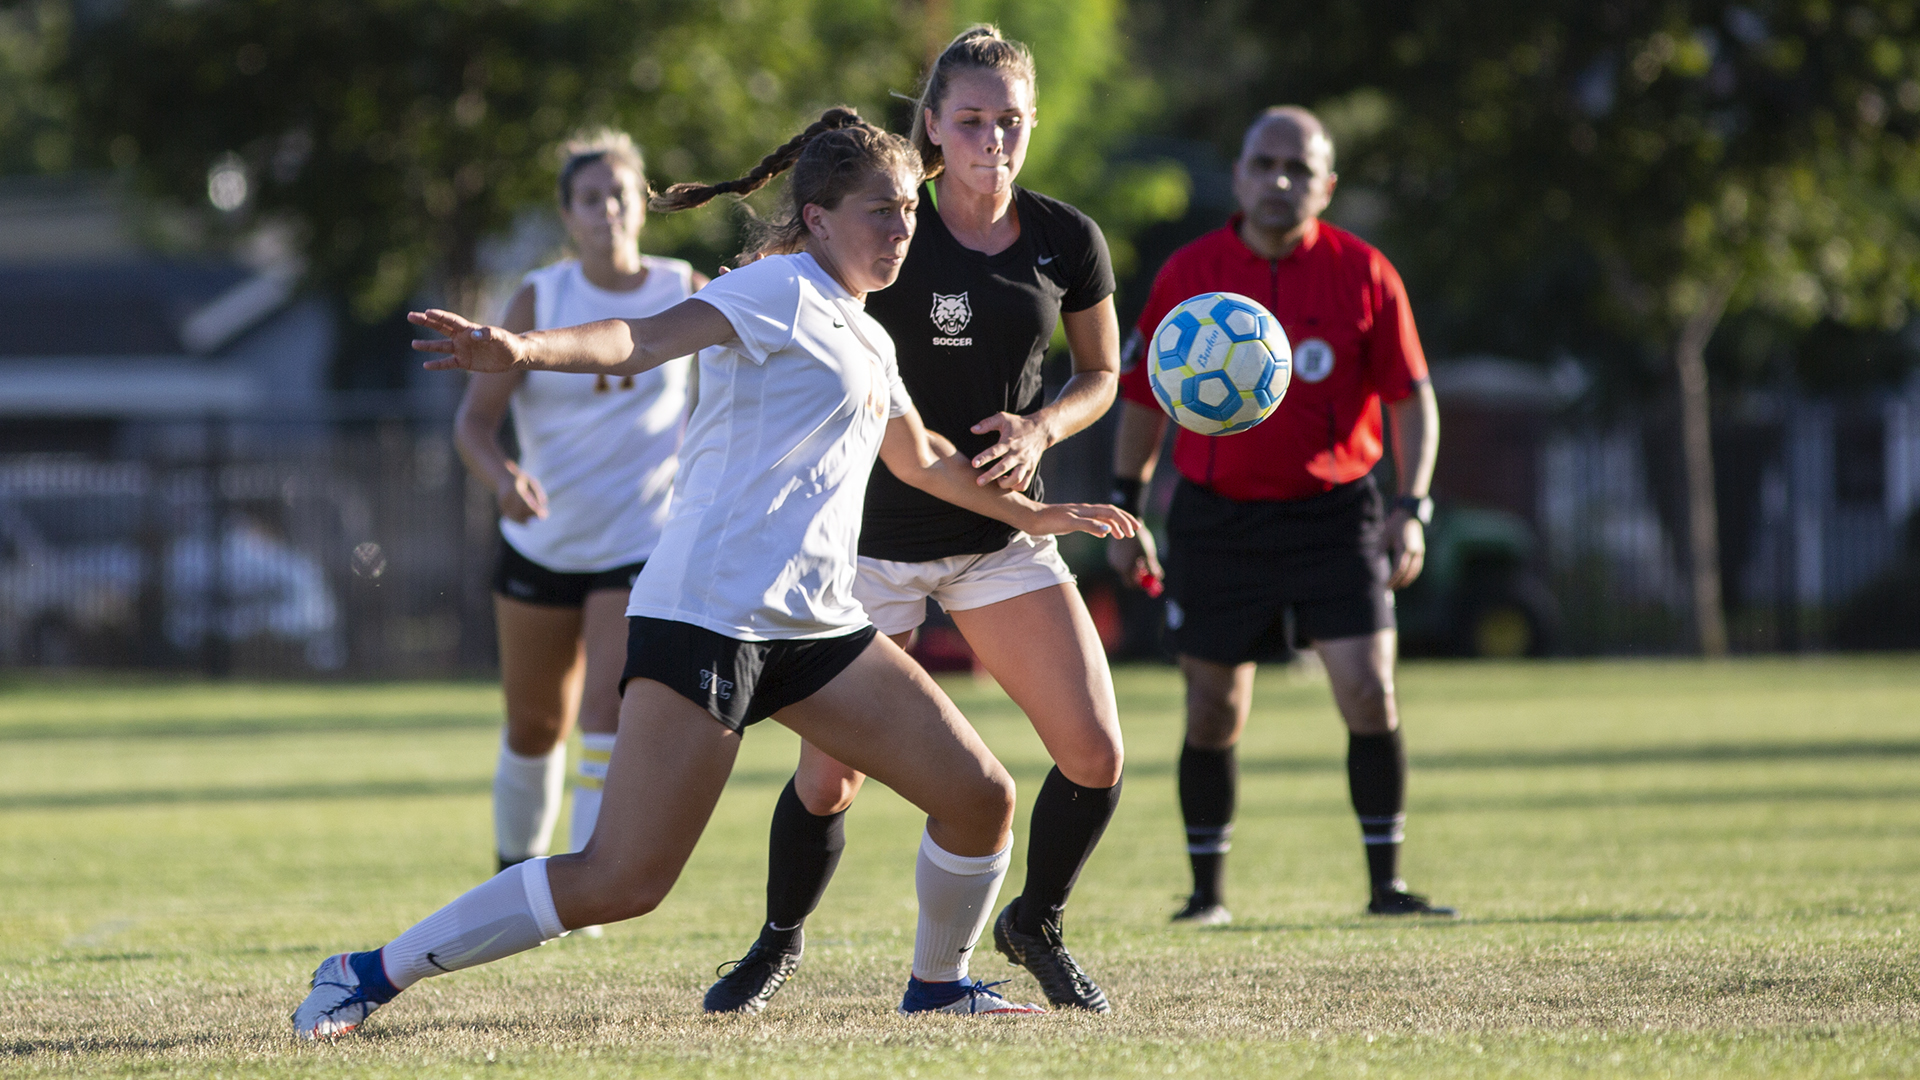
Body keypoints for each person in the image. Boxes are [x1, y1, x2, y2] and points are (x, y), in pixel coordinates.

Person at [291, 109, 1141, 1039]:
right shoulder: (776, 289)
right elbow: (640, 338)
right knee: (624, 880)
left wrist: (1039, 515)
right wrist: (525, 350)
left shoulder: (868, 333)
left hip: (817, 630)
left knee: (980, 798)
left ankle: (940, 984)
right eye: (878, 212)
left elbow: (924, 461)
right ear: (816, 217)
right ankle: (368, 972)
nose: (902, 230)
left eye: (907, 209)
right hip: (708, 617)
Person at [702, 26, 1126, 1017]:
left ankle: (1034, 925)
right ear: (931, 125)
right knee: (828, 781)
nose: (992, 139)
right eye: (970, 120)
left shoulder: (1069, 237)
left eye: (1009, 120)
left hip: (998, 534)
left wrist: (1043, 424)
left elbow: (1103, 374)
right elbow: (785, 295)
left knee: (1095, 753)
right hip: (866, 545)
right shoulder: (886, 223)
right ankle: (776, 942)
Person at [1107, 106, 1452, 924]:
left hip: (1337, 516)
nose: (1280, 182)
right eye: (1265, 165)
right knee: (1214, 709)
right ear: (1239, 175)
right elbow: (1140, 399)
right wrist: (1126, 502)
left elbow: (1414, 400)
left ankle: (1386, 887)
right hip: (1217, 520)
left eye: (1300, 169)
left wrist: (1411, 508)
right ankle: (1206, 897)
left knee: (1369, 691)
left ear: (1327, 186)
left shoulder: (1366, 273)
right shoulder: (1189, 273)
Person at [453, 130, 705, 880]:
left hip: (639, 539)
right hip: (542, 542)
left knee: (609, 710)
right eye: (590, 198)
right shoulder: (542, 295)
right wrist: (503, 480)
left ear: (643, 205)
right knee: (535, 726)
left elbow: (731, 391)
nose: (608, 210)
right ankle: (512, 878)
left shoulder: (683, 287)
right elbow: (472, 424)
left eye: (621, 194)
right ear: (568, 214)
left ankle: (585, 883)